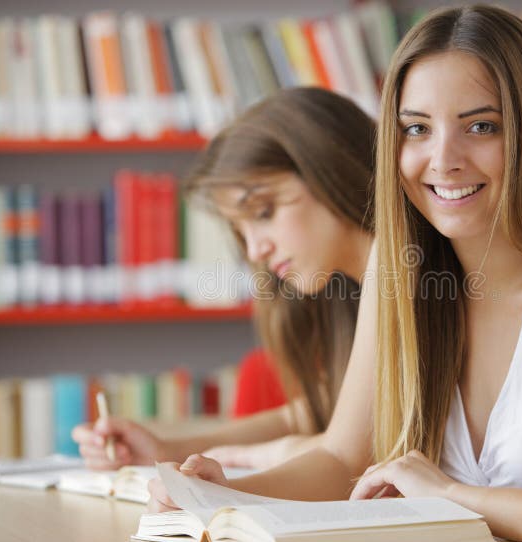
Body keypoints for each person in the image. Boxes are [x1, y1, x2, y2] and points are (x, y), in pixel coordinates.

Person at [150, 6, 522, 542]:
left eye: (481, 126)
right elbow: (342, 459)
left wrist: (446, 493)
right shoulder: (399, 280)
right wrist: (224, 495)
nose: (443, 159)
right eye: (417, 130)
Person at [72, 87, 375, 470]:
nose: (255, 251)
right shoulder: (349, 291)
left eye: (264, 212)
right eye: (240, 230)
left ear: (332, 168)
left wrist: (246, 458)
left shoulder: (407, 277)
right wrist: (168, 450)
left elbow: (352, 449)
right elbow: (311, 413)